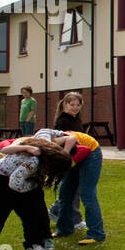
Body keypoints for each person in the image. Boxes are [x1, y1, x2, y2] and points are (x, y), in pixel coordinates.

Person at [48, 124, 105, 245]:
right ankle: (64, 229)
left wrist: (64, 155)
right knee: (65, 193)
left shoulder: (52, 142)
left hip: (91, 153)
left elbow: (72, 139)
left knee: (87, 194)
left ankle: (97, 234)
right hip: (75, 154)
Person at [48, 91, 85, 229]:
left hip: (78, 157)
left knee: (71, 188)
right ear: (65, 105)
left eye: (78, 105)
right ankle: (75, 219)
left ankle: (54, 211)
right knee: (72, 188)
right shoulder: (63, 121)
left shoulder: (76, 120)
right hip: (68, 158)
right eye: (72, 104)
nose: (75, 107)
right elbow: (60, 140)